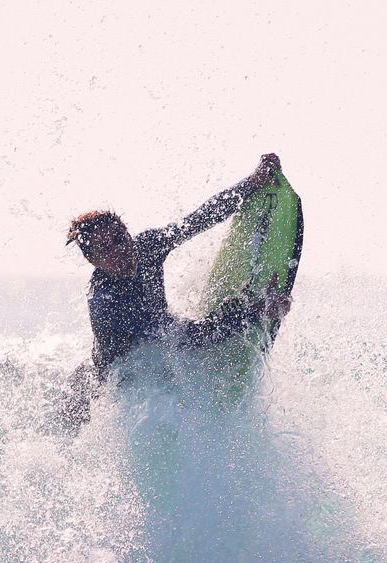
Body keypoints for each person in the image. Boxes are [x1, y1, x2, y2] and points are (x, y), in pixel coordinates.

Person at [60, 154, 291, 425]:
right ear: (92, 259)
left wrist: (251, 183)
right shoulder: (107, 302)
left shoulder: (147, 247)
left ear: (126, 230)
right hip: (113, 383)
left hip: (156, 345)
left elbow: (199, 219)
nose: (119, 250)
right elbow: (184, 337)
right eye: (105, 249)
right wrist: (252, 311)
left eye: (119, 238)